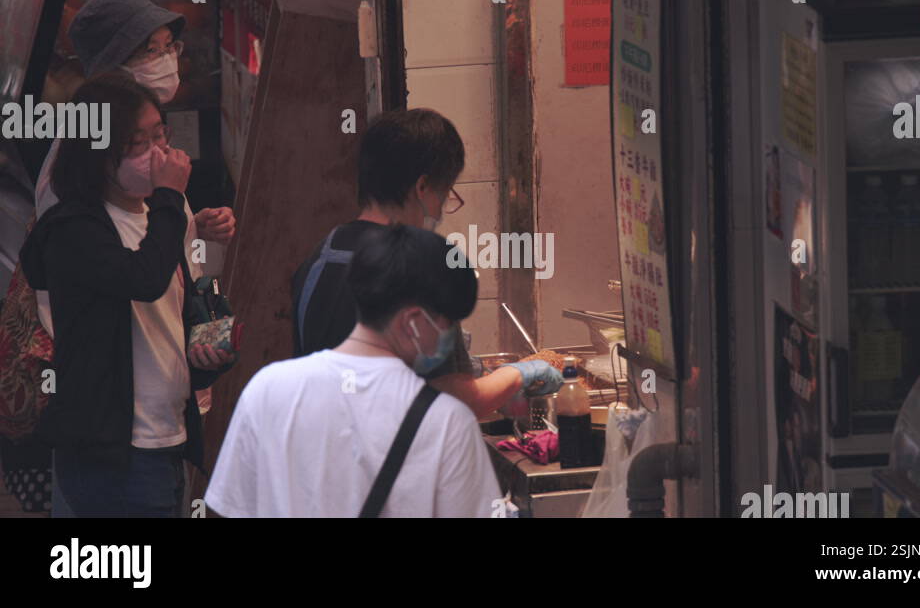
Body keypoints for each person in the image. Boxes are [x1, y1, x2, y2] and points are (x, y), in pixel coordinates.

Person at [18, 75, 233, 517]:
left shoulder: (161, 215)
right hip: (112, 455)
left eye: (160, 135)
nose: (158, 153)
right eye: (139, 143)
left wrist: (209, 351)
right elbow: (141, 278)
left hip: (168, 439)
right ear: (99, 154)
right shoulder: (74, 228)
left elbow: (178, 308)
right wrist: (173, 199)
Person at [208, 225, 501, 517]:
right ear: (413, 320)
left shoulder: (267, 389)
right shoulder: (449, 422)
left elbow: (229, 509)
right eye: (447, 322)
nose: (448, 336)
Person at [291, 108, 561, 418]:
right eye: (444, 195)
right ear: (422, 188)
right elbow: (457, 401)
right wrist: (519, 374)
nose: (441, 210)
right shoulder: (419, 271)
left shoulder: (317, 259)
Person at [34, 0, 236, 337]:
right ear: (111, 66)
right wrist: (173, 208)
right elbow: (127, 269)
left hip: (166, 343)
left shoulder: (138, 135)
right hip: (124, 357)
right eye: (150, 50)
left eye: (170, 46)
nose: (167, 60)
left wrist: (192, 226)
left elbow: (140, 227)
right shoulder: (83, 156)